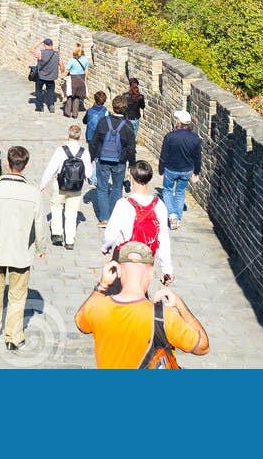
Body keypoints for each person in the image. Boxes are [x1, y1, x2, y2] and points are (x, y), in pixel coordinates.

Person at [75, 242, 209, 369]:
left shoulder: (98, 307)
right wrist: (180, 304)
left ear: (118, 271)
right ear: (151, 273)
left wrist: (102, 285)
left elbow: (81, 323)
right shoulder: (162, 317)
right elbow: (203, 347)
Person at [0, 146, 45, 351]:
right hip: (22, 250)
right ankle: (13, 336)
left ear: (7, 163)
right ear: (26, 165)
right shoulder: (33, 193)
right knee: (18, 295)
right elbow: (40, 223)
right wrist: (41, 246)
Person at [101, 161, 173, 285]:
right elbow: (163, 238)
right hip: (147, 258)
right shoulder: (159, 205)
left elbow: (110, 234)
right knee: (140, 293)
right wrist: (167, 269)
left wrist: (106, 247)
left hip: (125, 257)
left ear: (130, 175)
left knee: (118, 294)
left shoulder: (123, 203)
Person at [38, 125, 92, 249]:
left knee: (56, 207)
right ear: (80, 136)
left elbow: (51, 168)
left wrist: (43, 183)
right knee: (72, 213)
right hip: (76, 187)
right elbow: (88, 174)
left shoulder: (61, 150)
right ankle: (69, 240)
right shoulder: (84, 152)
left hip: (60, 185)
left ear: (68, 135)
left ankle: (57, 234)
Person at [89, 95, 136, 226]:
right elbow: (131, 148)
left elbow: (94, 142)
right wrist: (131, 165)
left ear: (113, 107)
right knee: (116, 188)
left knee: (102, 188)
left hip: (103, 160)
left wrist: (92, 157)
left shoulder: (104, 121)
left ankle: (104, 218)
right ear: (125, 108)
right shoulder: (128, 126)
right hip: (120, 161)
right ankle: (114, 216)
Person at [158, 109, 203, 230]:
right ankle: (177, 218)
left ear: (179, 122)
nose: (175, 121)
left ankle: (172, 214)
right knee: (180, 192)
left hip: (171, 169)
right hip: (186, 170)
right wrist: (196, 172)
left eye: (176, 119)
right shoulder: (195, 138)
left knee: (167, 190)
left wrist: (160, 170)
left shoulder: (170, 136)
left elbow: (164, 155)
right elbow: (198, 158)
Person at [30, 38, 60, 114]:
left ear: (44, 45)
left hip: (41, 76)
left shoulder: (41, 53)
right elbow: (62, 66)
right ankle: (51, 105)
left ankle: (40, 107)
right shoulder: (57, 54)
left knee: (39, 91)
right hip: (51, 77)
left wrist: (40, 41)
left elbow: (32, 49)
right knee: (50, 92)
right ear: (52, 45)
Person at [64, 45, 90, 118]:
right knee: (77, 97)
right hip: (81, 79)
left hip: (73, 79)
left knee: (69, 96)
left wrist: (63, 77)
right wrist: (86, 79)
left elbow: (67, 70)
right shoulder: (85, 59)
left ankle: (67, 112)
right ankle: (75, 114)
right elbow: (86, 71)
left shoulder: (72, 60)